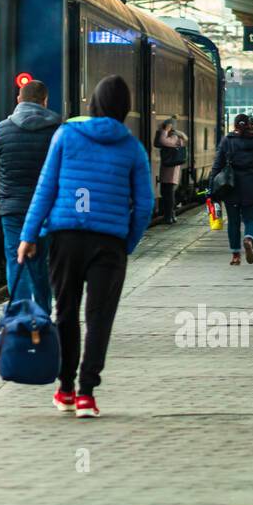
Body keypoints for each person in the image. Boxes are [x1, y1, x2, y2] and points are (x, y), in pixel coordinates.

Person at [17, 75, 153, 419]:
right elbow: (145, 204)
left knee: (65, 313)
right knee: (99, 318)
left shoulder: (66, 135)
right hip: (109, 243)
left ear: (93, 102)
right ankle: (87, 395)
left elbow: (45, 189)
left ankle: (64, 388)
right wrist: (127, 243)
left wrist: (28, 236)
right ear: (125, 108)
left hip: (65, 239)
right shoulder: (132, 147)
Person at [0, 79, 61, 310]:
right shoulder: (58, 130)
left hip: (13, 209)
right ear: (45, 101)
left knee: (16, 263)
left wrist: (5, 192)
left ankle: (21, 315)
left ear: (19, 99)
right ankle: (43, 315)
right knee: (41, 264)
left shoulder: (0, 130)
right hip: (46, 209)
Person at [210, 114, 253, 265]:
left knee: (233, 222)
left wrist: (211, 188)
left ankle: (235, 255)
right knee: (251, 218)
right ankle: (249, 238)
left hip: (230, 186)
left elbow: (217, 166)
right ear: (249, 125)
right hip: (252, 186)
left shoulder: (227, 141)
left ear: (235, 125)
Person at [154, 118, 187, 224]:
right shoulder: (172, 135)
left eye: (167, 126)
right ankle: (170, 215)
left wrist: (165, 130)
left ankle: (169, 216)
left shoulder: (175, 136)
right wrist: (162, 129)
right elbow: (157, 143)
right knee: (166, 192)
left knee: (168, 192)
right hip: (168, 168)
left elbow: (163, 141)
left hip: (171, 170)